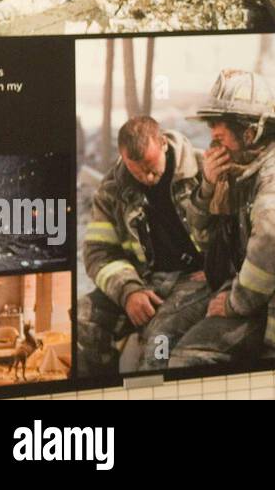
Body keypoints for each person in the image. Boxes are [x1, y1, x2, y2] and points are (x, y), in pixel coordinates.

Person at [169, 70, 275, 367]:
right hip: (254, 298)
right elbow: (205, 244)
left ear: (250, 133)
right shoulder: (245, 170)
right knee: (164, 334)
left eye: (219, 135)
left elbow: (272, 246)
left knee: (187, 359)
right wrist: (208, 188)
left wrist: (232, 303)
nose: (213, 147)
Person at [78, 116, 209, 376]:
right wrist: (129, 291)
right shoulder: (111, 190)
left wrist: (219, 268)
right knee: (82, 320)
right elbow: (98, 253)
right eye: (137, 171)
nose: (148, 178)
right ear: (122, 156)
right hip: (142, 280)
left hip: (195, 279)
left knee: (159, 338)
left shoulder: (204, 170)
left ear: (162, 143)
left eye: (151, 167)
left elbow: (233, 231)